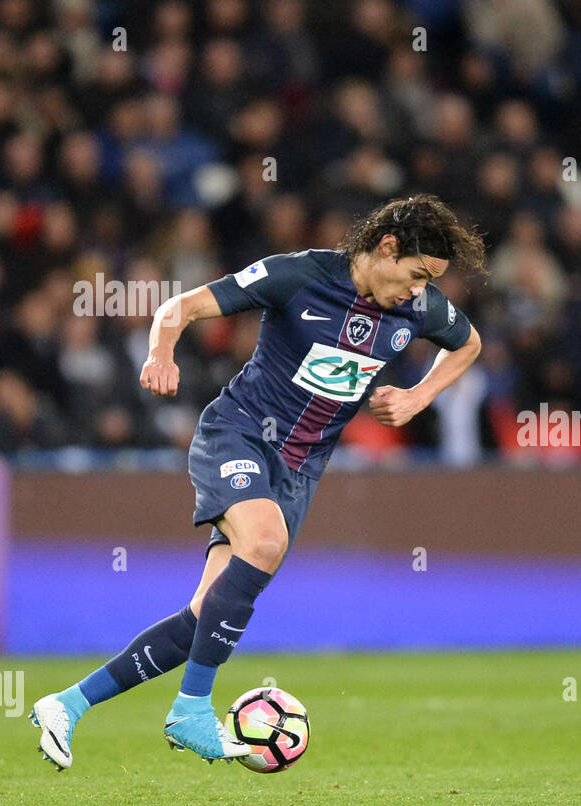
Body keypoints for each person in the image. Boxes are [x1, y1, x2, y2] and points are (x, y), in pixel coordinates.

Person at [29, 194, 485, 767]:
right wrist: (160, 354)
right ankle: (191, 710)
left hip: (298, 472)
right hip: (238, 435)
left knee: (201, 617)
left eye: (430, 282)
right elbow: (180, 308)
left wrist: (419, 397)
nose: (420, 292)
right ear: (388, 248)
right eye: (417, 276)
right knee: (265, 543)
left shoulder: (417, 310)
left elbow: (468, 344)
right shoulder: (296, 275)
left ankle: (66, 706)